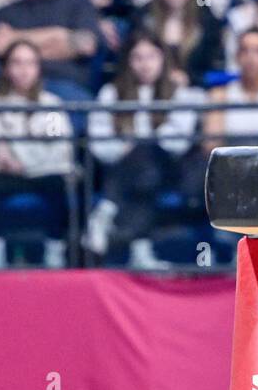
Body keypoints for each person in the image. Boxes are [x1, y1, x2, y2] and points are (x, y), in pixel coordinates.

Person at [86, 32, 205, 268]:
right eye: (137, 57)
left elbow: (177, 141)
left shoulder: (179, 92)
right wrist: (125, 148)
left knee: (145, 155)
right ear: (128, 62)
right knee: (143, 172)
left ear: (163, 60)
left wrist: (139, 141)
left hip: (172, 168)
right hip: (127, 170)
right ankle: (140, 249)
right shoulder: (111, 93)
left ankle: (107, 210)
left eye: (151, 56)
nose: (144, 64)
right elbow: (98, 143)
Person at [0, 39, 74, 269]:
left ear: (38, 68)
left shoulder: (52, 105)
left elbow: (58, 148)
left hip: (45, 173)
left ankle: (55, 254)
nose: (24, 70)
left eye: (30, 63)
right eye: (17, 63)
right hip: (9, 175)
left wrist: (12, 150)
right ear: (6, 68)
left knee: (58, 188)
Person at [133, 0, 224, 85]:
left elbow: (214, 65)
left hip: (197, 91)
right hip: (151, 89)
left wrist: (190, 79)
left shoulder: (206, 17)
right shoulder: (143, 17)